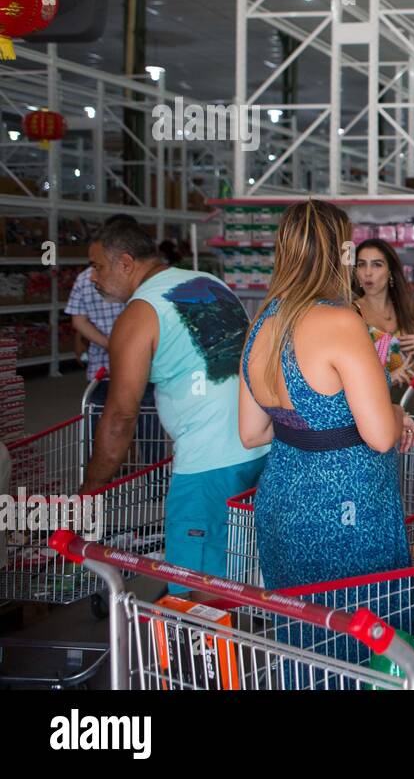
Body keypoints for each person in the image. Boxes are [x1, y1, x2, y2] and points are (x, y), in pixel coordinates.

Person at [76, 218, 268, 594]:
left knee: (197, 584)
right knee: (237, 564)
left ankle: (202, 651)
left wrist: (91, 489)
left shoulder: (138, 315)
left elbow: (120, 416)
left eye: (97, 266)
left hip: (207, 463)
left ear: (126, 263)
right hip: (258, 443)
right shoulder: (207, 283)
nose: (92, 278)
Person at [239, 201, 414, 590]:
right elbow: (382, 435)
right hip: (348, 506)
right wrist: (391, 409)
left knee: (301, 625)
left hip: (282, 501)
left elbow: (252, 433)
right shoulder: (341, 322)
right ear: (340, 252)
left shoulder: (261, 323)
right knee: (364, 630)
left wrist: (310, 426)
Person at [352, 238, 414, 399]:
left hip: (408, 400)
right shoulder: (352, 312)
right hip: (372, 405)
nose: (368, 272)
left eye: (377, 264)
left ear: (390, 271)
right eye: (361, 264)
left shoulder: (405, 307)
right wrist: (388, 377)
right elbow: (349, 372)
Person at [65, 212, 136, 382]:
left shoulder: (83, 278)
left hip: (102, 369)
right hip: (142, 368)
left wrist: (108, 344)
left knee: (102, 407)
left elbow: (79, 321)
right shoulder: (138, 275)